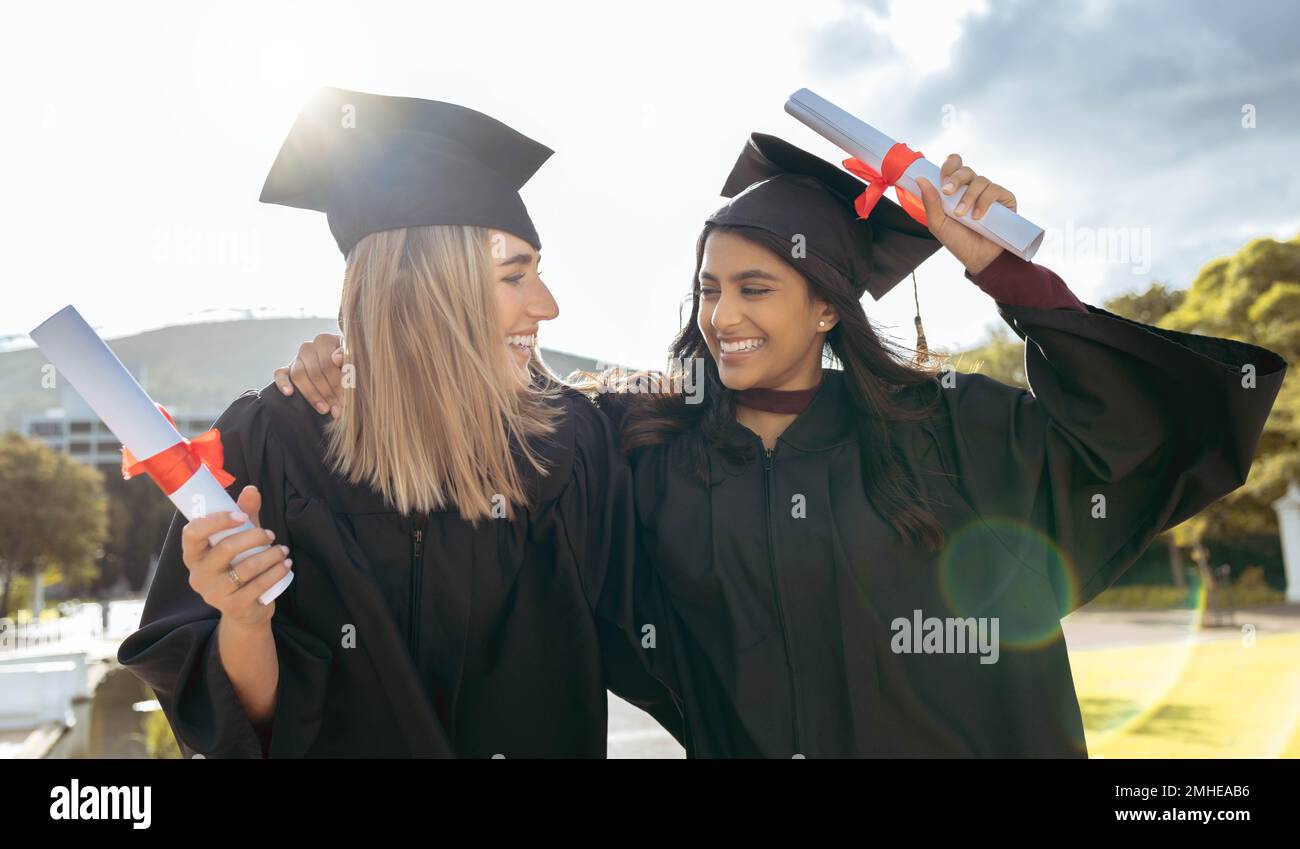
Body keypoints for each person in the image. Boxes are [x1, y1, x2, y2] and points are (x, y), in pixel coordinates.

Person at [280, 132, 1286, 757]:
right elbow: (481, 429)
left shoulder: (950, 432)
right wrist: (352, 364)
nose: (723, 317)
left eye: (756, 289)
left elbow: (1136, 433)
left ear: (826, 307)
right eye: (709, 290)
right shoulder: (646, 453)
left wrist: (1003, 271)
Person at [117, 87, 659, 758]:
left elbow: (697, 635)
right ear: (428, 289)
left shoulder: (570, 445)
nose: (546, 305)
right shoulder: (274, 444)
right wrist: (244, 619)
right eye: (514, 276)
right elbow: (242, 728)